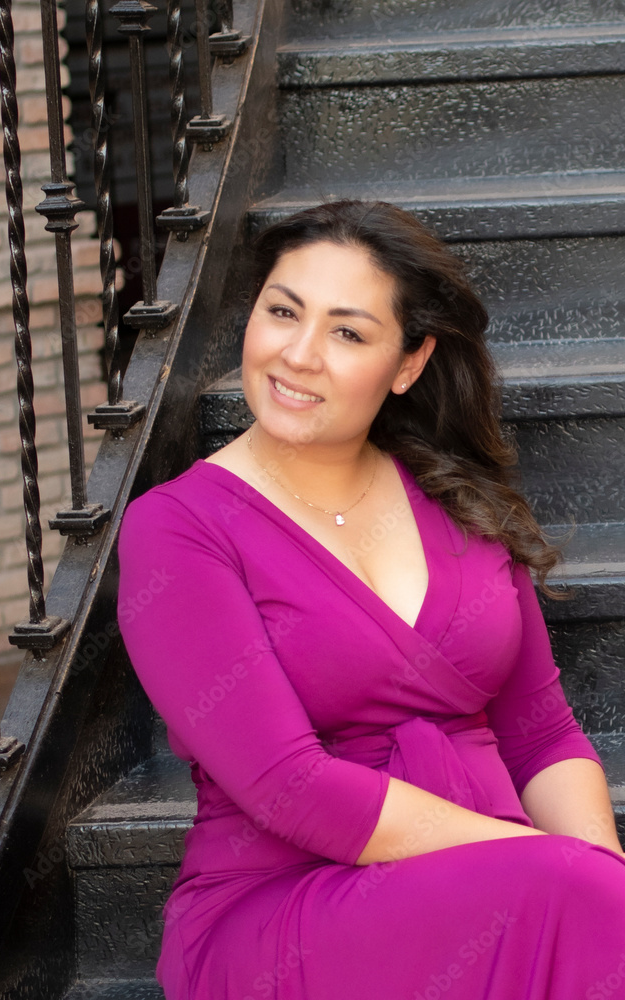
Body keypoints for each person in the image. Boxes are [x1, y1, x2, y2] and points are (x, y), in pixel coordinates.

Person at [116, 200, 625, 1000]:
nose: (299, 354)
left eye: (347, 332)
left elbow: (543, 734)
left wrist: (598, 876)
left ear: (409, 364)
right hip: (284, 910)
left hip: (513, 887)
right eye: (283, 312)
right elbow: (289, 786)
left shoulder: (453, 494)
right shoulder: (178, 529)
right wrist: (541, 865)